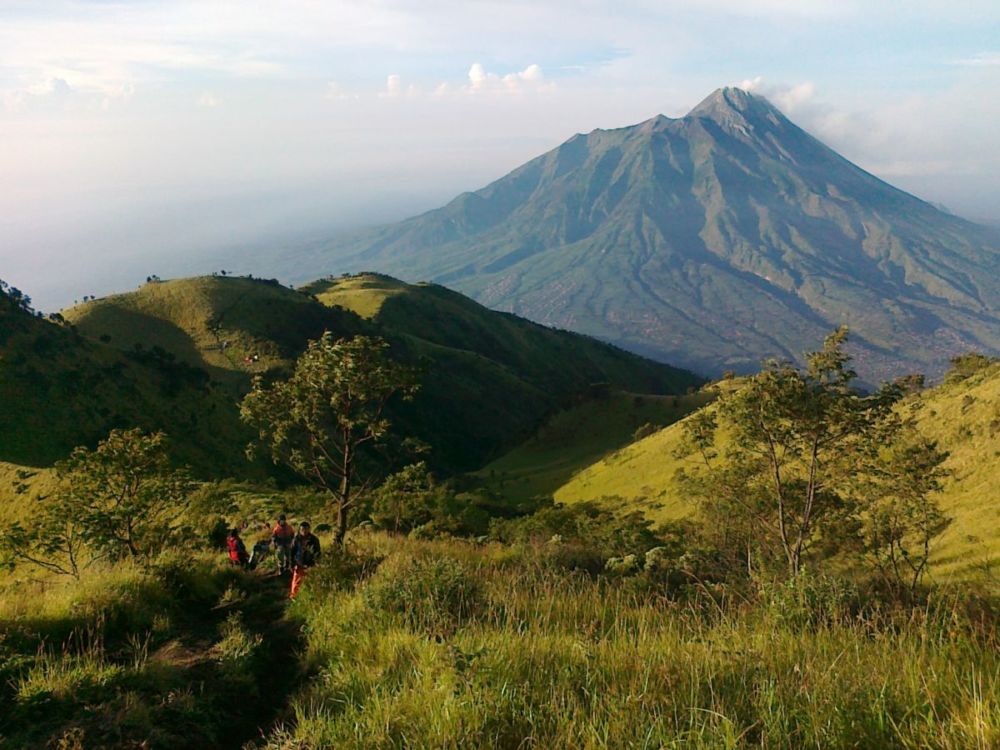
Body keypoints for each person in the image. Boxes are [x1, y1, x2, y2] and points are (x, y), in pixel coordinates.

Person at [289, 522, 321, 599]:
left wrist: (317, 562)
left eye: (306, 529)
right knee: (296, 581)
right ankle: (294, 596)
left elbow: (318, 552)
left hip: (310, 564)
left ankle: (311, 596)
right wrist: (291, 564)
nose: (304, 531)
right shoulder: (296, 539)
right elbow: (292, 552)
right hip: (299, 563)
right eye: (302, 529)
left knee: (311, 581)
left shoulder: (314, 539)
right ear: (300, 530)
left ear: (309, 529)